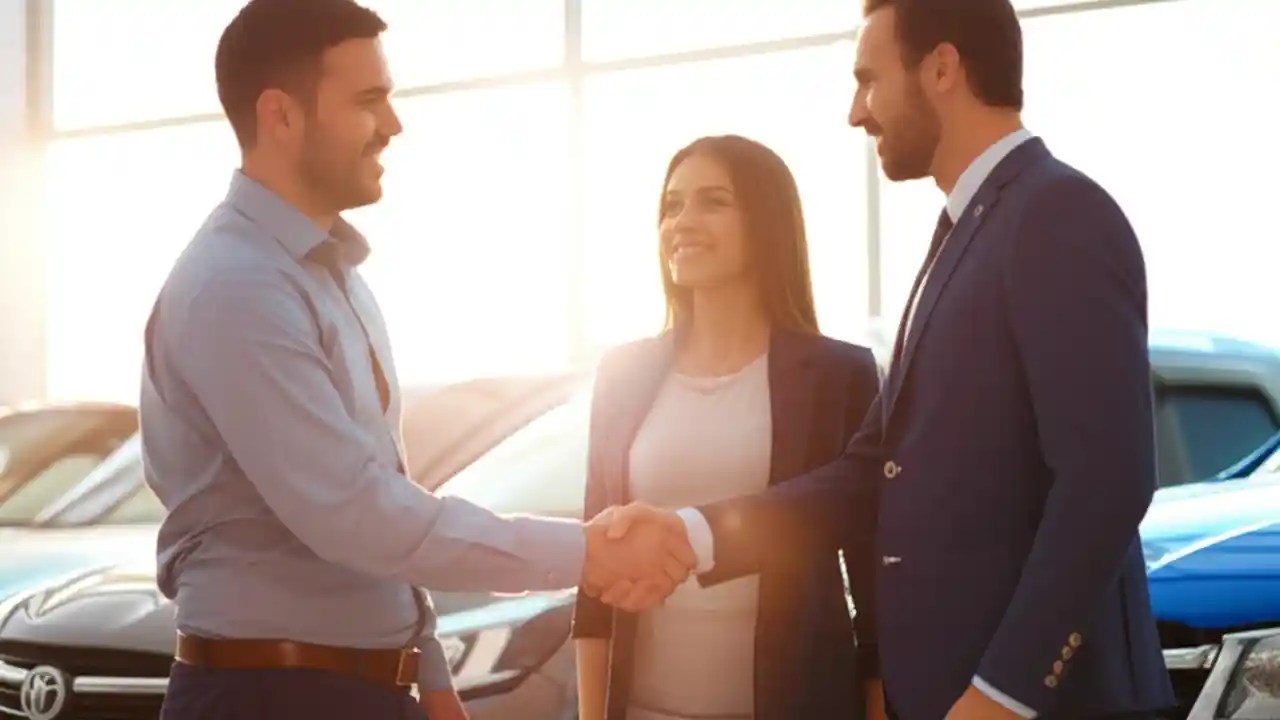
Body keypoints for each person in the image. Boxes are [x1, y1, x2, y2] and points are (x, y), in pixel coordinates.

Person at [600, 1, 1176, 719]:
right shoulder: (962, 235)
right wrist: (691, 532)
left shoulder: (1057, 215)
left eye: (869, 81)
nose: (856, 112)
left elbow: (1107, 482)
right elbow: (870, 473)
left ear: (941, 68)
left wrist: (1005, 693)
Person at [139, 2, 691, 719]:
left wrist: (425, 670)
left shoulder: (330, 278)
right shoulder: (235, 288)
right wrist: (589, 554)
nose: (393, 125)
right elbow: (355, 513)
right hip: (270, 696)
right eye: (369, 101)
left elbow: (382, 494)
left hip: (354, 688)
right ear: (280, 116)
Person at [572, 135, 884, 720]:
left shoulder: (838, 375)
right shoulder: (622, 373)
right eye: (672, 205)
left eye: (713, 201)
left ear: (766, 222)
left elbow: (873, 584)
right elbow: (594, 581)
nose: (683, 221)